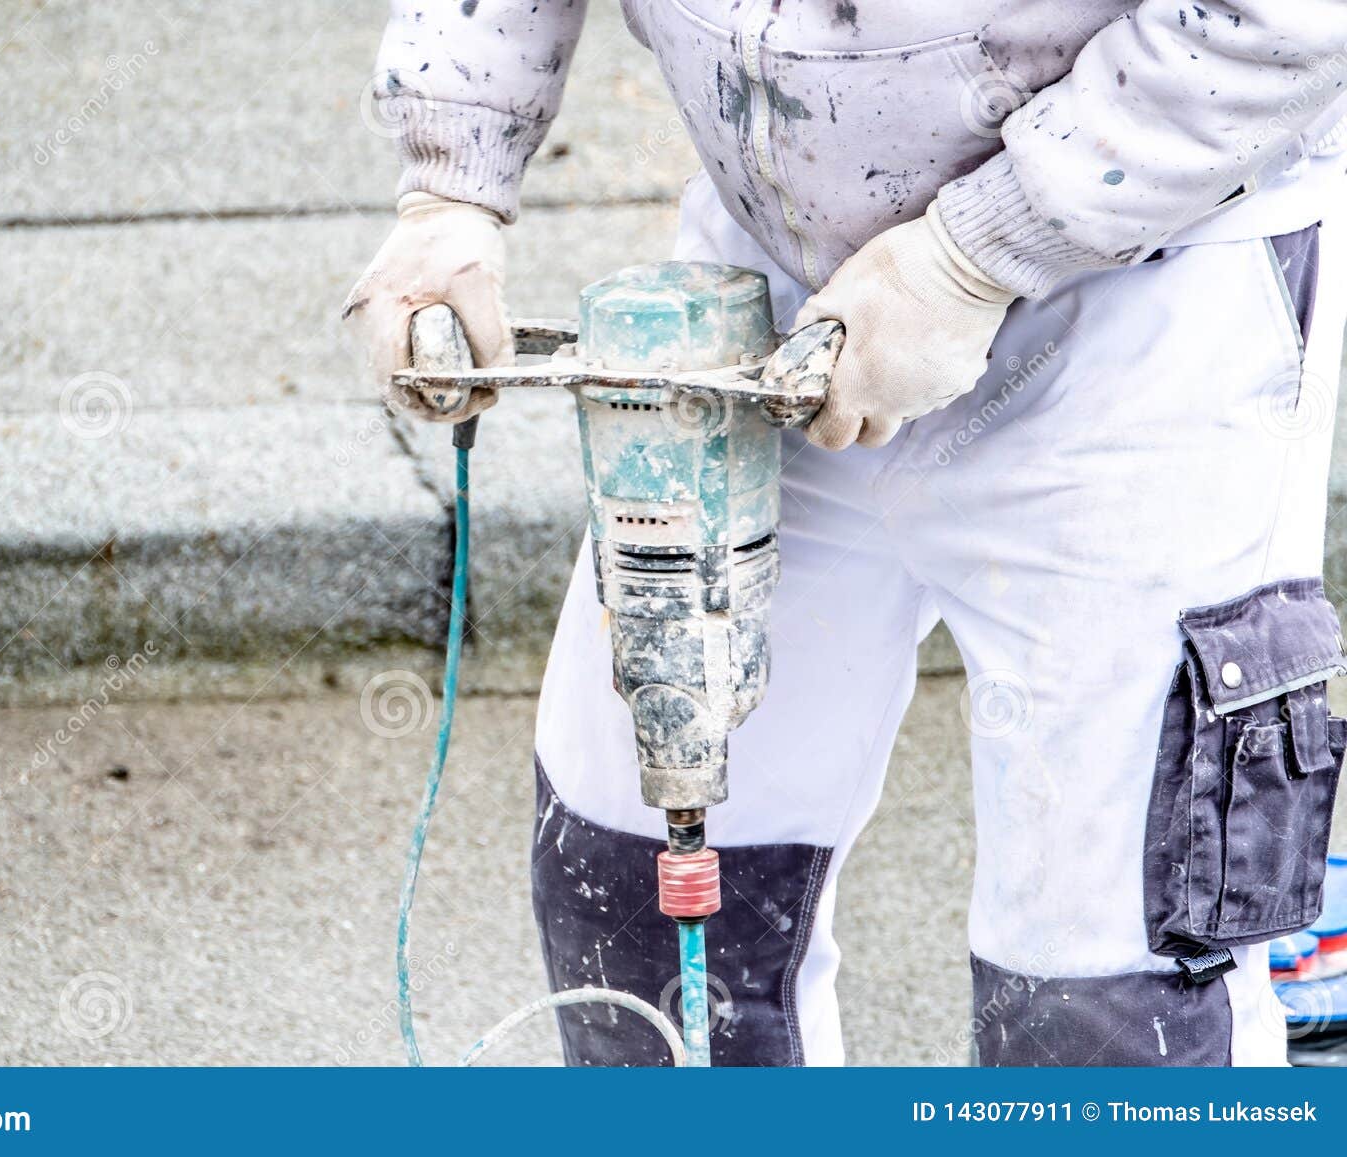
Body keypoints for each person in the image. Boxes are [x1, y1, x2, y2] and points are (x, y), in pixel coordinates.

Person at [345, 0, 1347, 1066]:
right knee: (636, 890)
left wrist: (969, 256)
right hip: (774, 267)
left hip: (1144, 285)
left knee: (1105, 999)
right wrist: (450, 176)